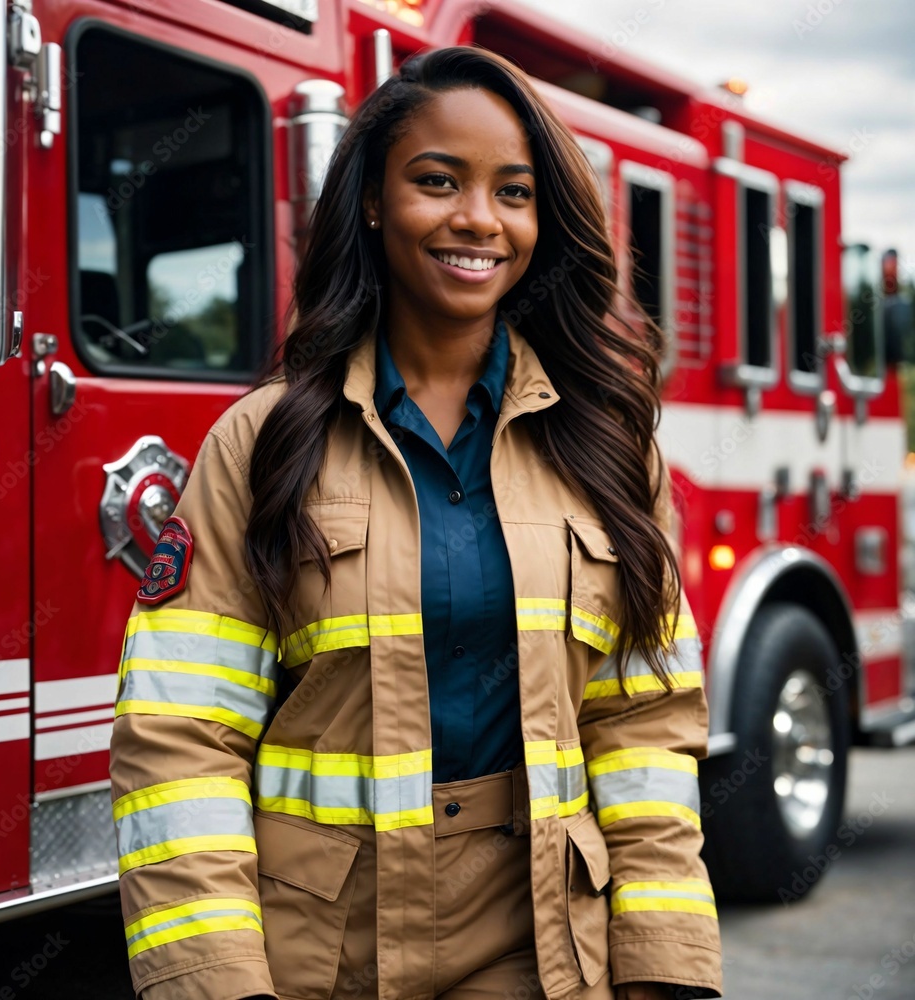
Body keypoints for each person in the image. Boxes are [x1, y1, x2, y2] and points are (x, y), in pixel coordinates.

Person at [109, 46, 723, 1000]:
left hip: (541, 946)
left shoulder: (610, 450)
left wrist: (664, 968)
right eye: (438, 181)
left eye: (513, 193)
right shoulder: (260, 444)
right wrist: (218, 983)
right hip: (322, 956)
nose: (478, 219)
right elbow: (182, 740)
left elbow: (644, 731)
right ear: (369, 199)